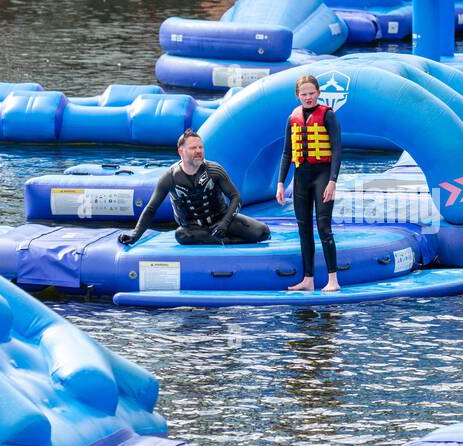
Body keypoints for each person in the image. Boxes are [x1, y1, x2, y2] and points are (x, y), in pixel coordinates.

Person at [117, 130, 269, 247]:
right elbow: (151, 209)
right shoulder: (169, 178)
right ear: (181, 152)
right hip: (194, 229)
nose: (198, 151)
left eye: (200, 147)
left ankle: (219, 239)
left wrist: (225, 223)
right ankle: (227, 242)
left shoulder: (214, 170)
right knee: (181, 235)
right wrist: (135, 235)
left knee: (262, 232)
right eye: (193, 148)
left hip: (221, 221)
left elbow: (236, 197)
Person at [275, 74, 342, 292]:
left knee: (324, 227)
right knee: (303, 229)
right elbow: (287, 153)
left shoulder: (327, 115)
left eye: (312, 93)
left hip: (322, 176)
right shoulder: (292, 118)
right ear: (297, 96)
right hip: (301, 178)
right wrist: (280, 183)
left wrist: (332, 181)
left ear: (319, 93)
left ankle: (333, 279)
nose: (308, 97)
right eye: (303, 94)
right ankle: (308, 279)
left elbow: (337, 150)